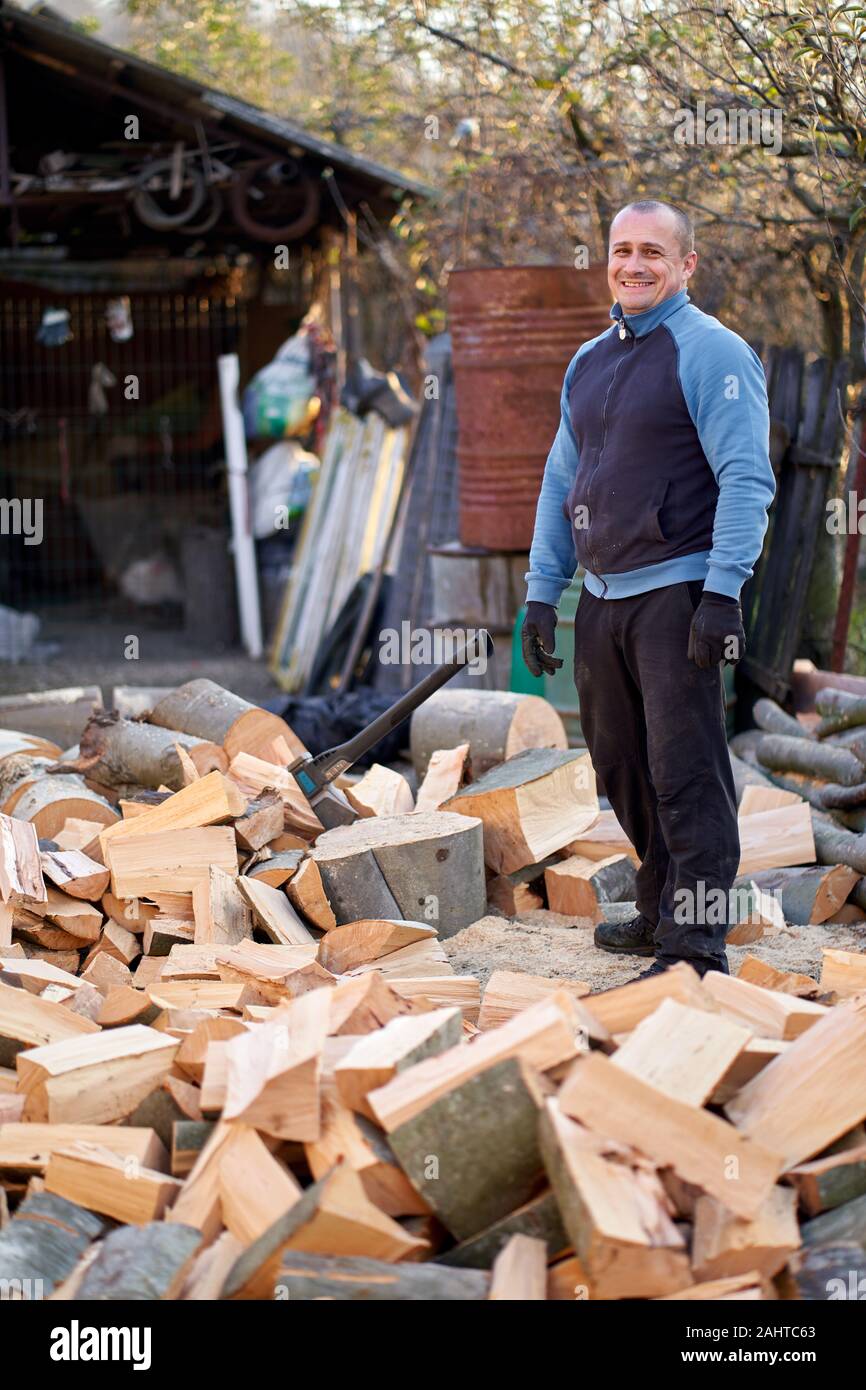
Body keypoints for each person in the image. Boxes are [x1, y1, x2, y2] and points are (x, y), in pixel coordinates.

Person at [522, 200, 775, 980]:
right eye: (621, 250)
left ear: (687, 265)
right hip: (601, 597)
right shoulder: (590, 360)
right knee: (621, 766)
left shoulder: (711, 353)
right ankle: (663, 906)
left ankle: (696, 945)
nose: (633, 265)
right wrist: (542, 589)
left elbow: (747, 477)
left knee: (687, 770)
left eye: (652, 253)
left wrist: (723, 591)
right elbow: (562, 477)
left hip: (679, 593)